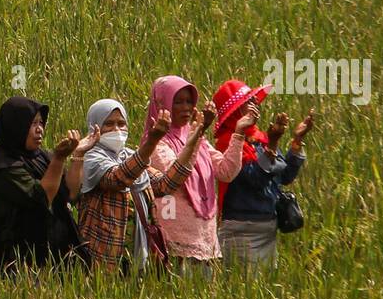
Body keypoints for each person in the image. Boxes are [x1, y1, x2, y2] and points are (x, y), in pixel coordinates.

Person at [73, 97, 203, 273]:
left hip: (138, 254)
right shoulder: (92, 158)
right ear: (94, 127)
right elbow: (119, 178)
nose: (116, 130)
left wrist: (190, 145)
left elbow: (165, 185)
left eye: (121, 123)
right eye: (109, 124)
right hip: (105, 255)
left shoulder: (129, 155)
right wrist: (152, 141)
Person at [144, 76, 256, 275]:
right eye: (177, 102)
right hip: (175, 244)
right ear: (162, 104)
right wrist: (198, 132)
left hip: (206, 240)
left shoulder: (198, 139)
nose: (186, 107)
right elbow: (177, 174)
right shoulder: (156, 144)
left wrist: (239, 131)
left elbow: (226, 172)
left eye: (189, 101)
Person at [0, 96, 97, 274]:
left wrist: (78, 155)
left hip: (55, 259)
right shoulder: (3, 166)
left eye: (41, 122)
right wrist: (59, 158)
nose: (39, 129)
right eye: (32, 123)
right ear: (16, 126)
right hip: (20, 265)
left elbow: (72, 194)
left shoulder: (40, 157)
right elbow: (41, 198)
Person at [213, 80, 315, 268]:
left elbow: (284, 176)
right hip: (242, 232)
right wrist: (273, 144)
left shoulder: (260, 139)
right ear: (235, 111)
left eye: (253, 99)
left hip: (268, 229)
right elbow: (255, 179)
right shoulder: (228, 144)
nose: (254, 105)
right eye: (247, 102)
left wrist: (297, 141)